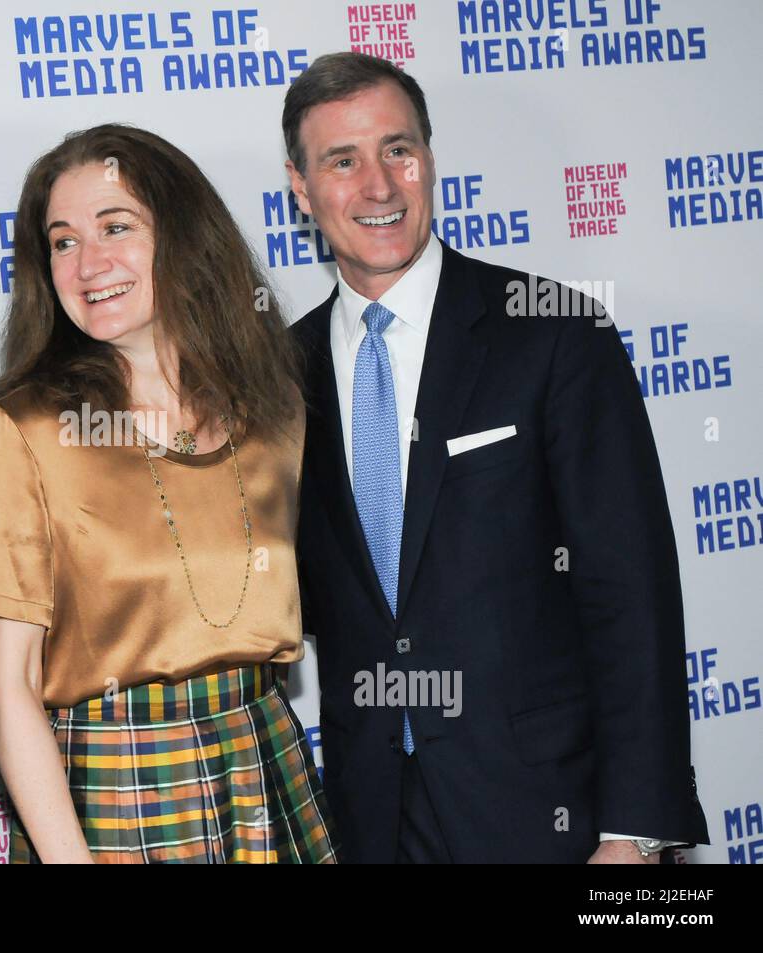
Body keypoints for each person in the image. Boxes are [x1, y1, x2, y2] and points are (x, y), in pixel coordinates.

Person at [284, 52, 709, 863]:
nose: (379, 185)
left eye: (398, 150)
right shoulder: (275, 375)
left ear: (431, 161)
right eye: (343, 161)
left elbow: (632, 596)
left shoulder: (550, 334)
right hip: (369, 821)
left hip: (551, 817)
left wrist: (634, 833)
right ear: (300, 189)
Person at [0, 124, 338, 864]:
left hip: (269, 763)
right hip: (114, 794)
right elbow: (5, 688)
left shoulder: (279, 411)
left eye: (116, 227)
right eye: (62, 241)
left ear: (185, 237)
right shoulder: (31, 428)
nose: (88, 262)